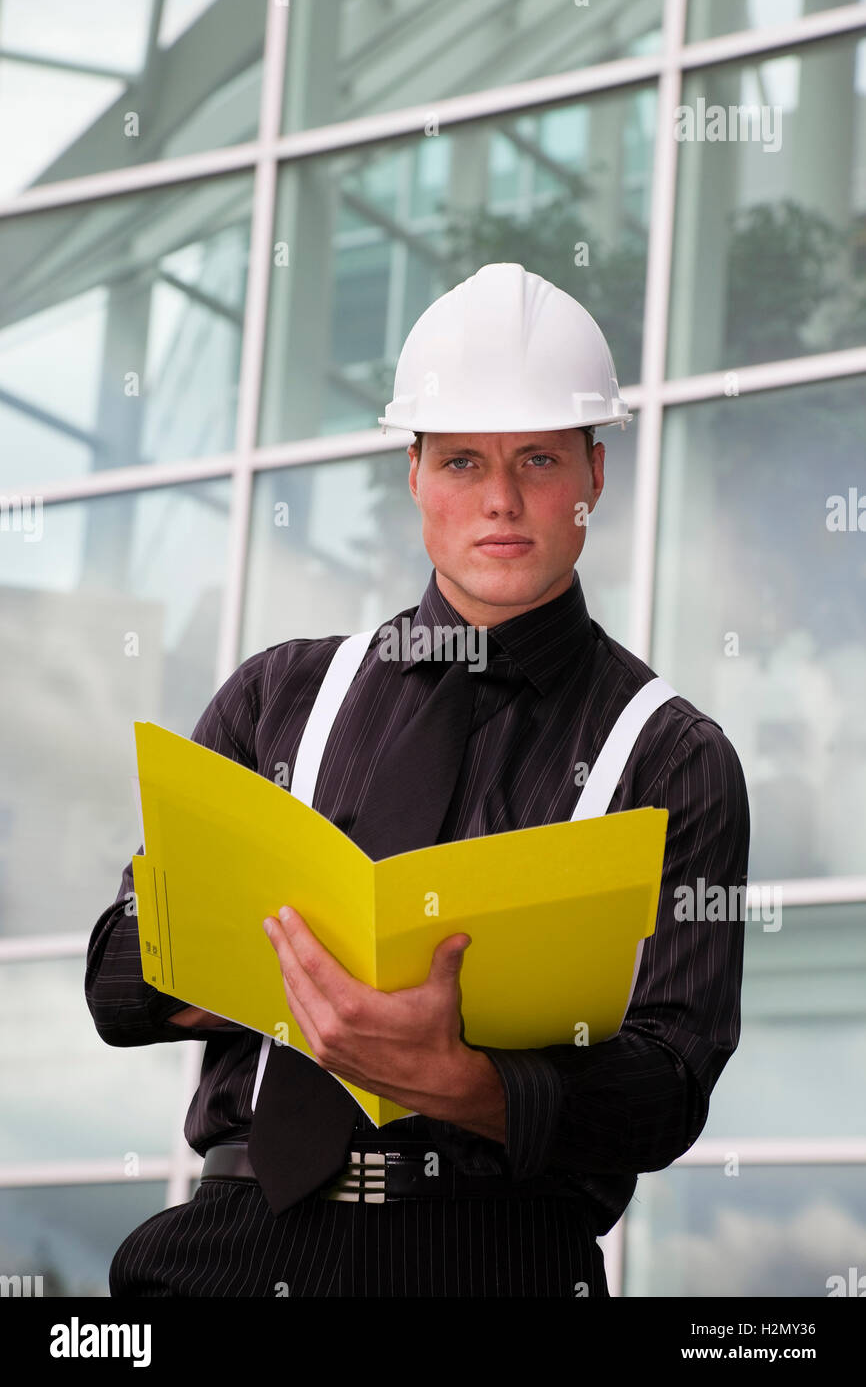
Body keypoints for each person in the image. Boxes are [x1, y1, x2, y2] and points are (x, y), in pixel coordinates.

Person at [87, 262, 749, 1298]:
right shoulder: (278, 698)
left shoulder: (669, 756)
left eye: (536, 457)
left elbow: (667, 1088)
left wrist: (470, 1083)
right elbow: (117, 981)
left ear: (593, 472)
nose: (498, 498)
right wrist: (286, 980)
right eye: (459, 462)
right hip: (232, 1240)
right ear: (412, 475)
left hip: (492, 1258)